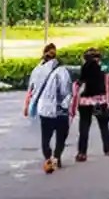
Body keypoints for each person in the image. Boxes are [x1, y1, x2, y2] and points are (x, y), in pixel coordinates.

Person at [23, 43, 73, 174]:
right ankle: (57, 157)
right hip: (59, 110)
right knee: (61, 136)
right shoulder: (61, 71)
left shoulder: (37, 70)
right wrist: (66, 105)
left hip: (44, 109)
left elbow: (31, 89)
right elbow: (65, 90)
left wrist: (28, 105)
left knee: (46, 137)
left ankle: (48, 159)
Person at [72, 47, 109, 162]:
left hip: (85, 103)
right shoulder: (102, 72)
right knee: (103, 125)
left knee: (84, 127)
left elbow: (79, 86)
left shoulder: (84, 70)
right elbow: (108, 88)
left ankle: (82, 152)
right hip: (99, 102)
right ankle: (108, 149)